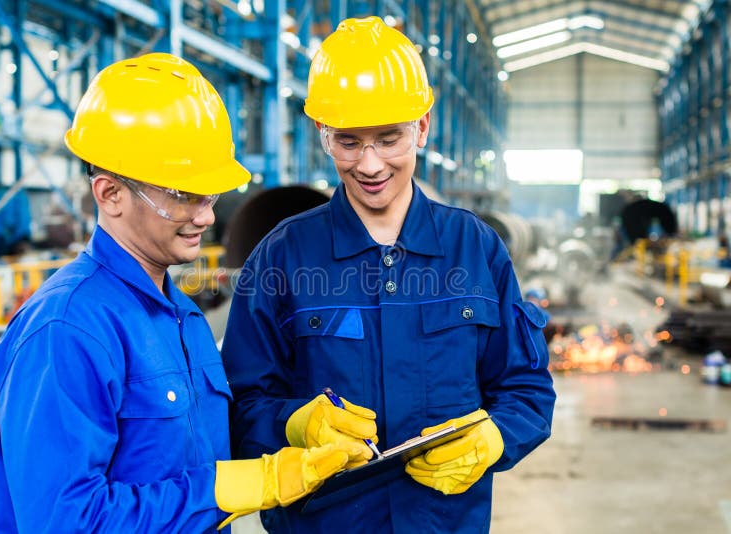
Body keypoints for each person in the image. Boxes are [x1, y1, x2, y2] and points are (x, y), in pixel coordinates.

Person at [0, 53, 369, 533]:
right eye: (183, 196)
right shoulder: (67, 330)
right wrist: (215, 492)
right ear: (109, 194)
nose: (207, 217)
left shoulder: (182, 317)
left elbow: (191, 444)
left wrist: (291, 424)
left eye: (208, 195)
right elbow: (63, 520)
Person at [221, 17, 556, 533]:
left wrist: (496, 437)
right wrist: (294, 423)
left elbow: (526, 389)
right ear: (323, 134)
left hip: (445, 523)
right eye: (349, 142)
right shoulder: (281, 258)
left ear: (422, 126)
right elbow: (240, 405)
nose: (370, 164)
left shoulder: (475, 250)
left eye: (389, 138)